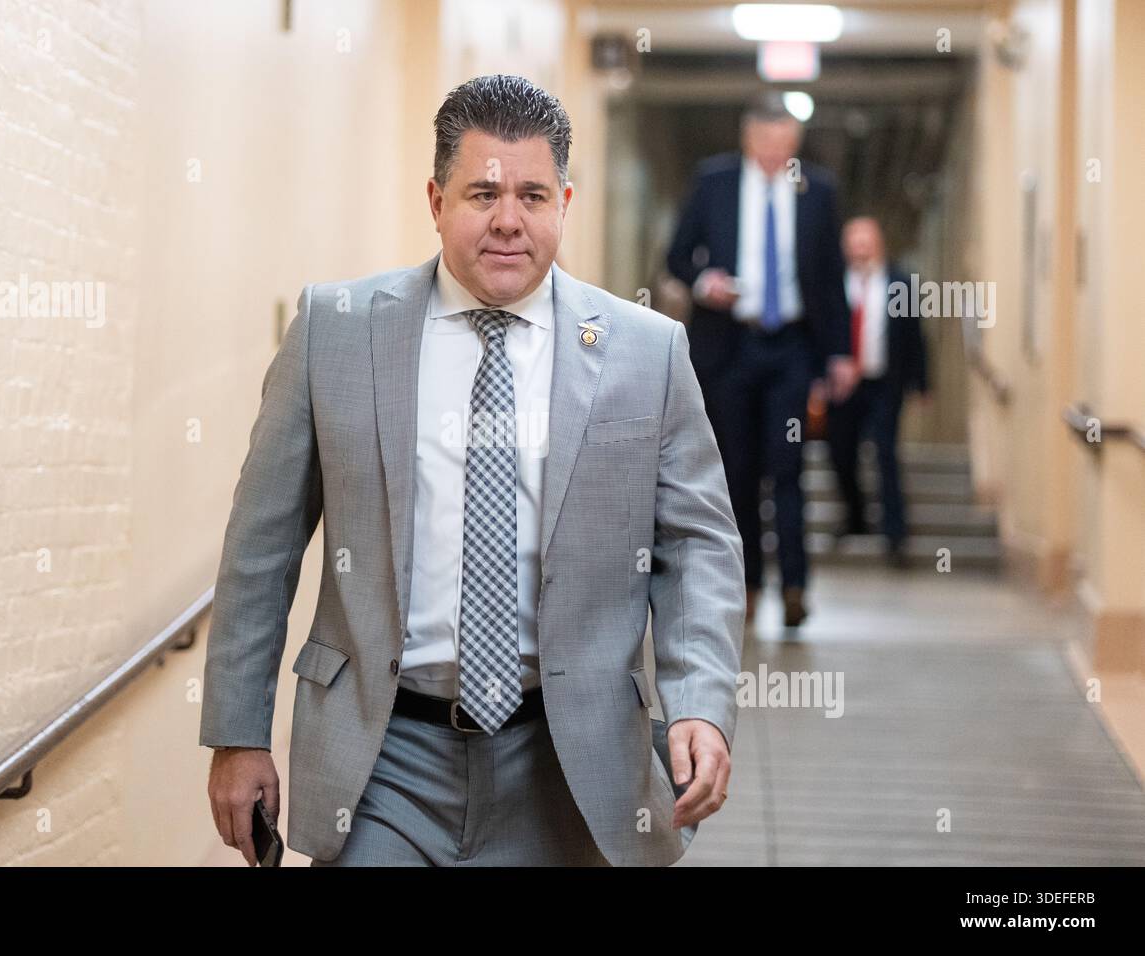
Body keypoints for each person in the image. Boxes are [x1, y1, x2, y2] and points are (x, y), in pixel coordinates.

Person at [199, 74, 746, 867]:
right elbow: (261, 546)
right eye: (481, 194)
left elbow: (698, 546)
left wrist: (700, 701)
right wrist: (238, 732)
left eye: (531, 195)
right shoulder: (336, 332)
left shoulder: (647, 351)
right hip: (382, 757)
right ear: (435, 200)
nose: (507, 222)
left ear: (565, 201)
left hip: (567, 764)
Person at [665, 91, 855, 628]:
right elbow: (677, 255)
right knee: (736, 468)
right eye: (768, 144)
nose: (777, 154)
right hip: (730, 344)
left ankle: (795, 586)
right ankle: (747, 584)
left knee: (788, 465)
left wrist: (838, 352)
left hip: (792, 346)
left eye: (786, 145)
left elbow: (831, 278)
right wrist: (706, 283)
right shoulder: (714, 182)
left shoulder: (819, 191)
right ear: (749, 139)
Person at [824, 216, 930, 567]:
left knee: (885, 451)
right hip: (842, 385)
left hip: (884, 383)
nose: (861, 248)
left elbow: (915, 336)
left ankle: (895, 534)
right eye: (854, 241)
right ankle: (855, 517)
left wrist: (922, 382)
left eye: (866, 241)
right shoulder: (831, 283)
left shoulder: (899, 282)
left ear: (879, 243)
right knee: (841, 452)